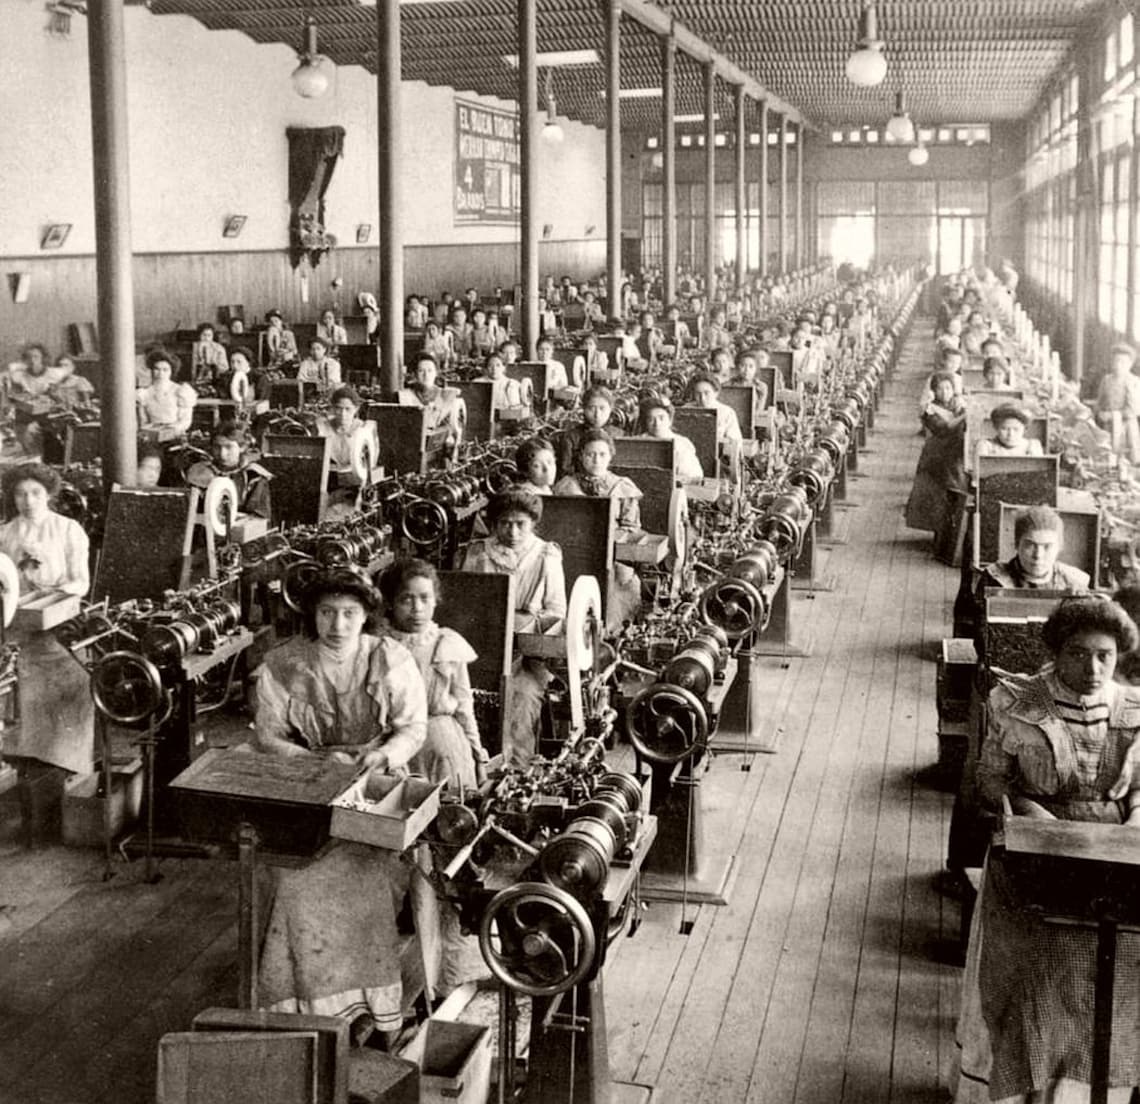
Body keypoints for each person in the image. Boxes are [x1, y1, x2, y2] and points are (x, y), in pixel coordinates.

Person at [954, 598, 1140, 1104]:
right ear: (1056, 653)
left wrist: (1132, 824)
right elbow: (990, 780)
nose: (1093, 668)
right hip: (1032, 857)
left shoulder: (1134, 709)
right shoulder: (1016, 702)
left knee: (1113, 984)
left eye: (1104, 656)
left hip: (1117, 864)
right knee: (1037, 983)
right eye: (1078, 654)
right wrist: (1032, 817)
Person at [254, 569, 428, 1037]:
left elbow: (413, 728)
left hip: (374, 785)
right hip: (306, 785)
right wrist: (313, 762)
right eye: (327, 612)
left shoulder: (390, 658)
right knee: (291, 880)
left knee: (370, 880)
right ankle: (305, 1005)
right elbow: (268, 737)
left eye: (350, 613)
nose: (338, 624)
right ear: (312, 615)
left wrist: (380, 756)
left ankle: (371, 1004)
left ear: (366, 615)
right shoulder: (284, 664)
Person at [0, 463, 93, 845]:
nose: (27, 501)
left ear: (49, 494)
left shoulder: (68, 530)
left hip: (60, 632)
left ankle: (64, 786)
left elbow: (81, 583)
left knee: (67, 708)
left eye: (35, 493)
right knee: (22, 716)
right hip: (18, 635)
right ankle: (30, 796)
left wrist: (48, 593)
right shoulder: (5, 534)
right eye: (20, 494)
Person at [461, 490, 567, 764]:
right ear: (494, 524)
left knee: (520, 699)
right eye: (505, 523)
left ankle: (515, 771)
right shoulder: (477, 553)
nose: (513, 531)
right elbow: (464, 605)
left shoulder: (545, 556)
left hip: (528, 658)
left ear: (533, 523)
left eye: (521, 524)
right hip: (481, 649)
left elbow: (557, 612)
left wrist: (527, 625)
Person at [376, 559, 487, 789]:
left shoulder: (446, 643)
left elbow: (464, 706)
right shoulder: (377, 645)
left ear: (436, 600)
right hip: (391, 737)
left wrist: (478, 756)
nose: (417, 608)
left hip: (437, 738)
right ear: (390, 603)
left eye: (425, 598)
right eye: (406, 599)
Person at [552, 429, 644, 628]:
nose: (596, 460)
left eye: (602, 454)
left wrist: (610, 541)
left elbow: (631, 527)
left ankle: (613, 630)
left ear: (610, 456)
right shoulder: (566, 486)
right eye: (590, 454)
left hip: (612, 554)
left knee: (620, 584)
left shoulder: (622, 487)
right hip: (574, 551)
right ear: (581, 456)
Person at [904, 371, 967, 536]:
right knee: (937, 491)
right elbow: (944, 428)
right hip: (937, 454)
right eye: (940, 389)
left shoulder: (957, 405)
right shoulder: (929, 409)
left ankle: (951, 529)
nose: (945, 392)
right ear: (934, 391)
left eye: (948, 388)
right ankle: (939, 530)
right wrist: (964, 415)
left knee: (955, 486)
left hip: (954, 451)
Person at [975, 505, 1091, 594]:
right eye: (1030, 545)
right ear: (1016, 544)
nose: (1038, 555)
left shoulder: (1074, 582)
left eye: (1047, 546)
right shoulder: (994, 579)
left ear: (1059, 547)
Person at [186, 421, 273, 518]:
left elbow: (259, 518)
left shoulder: (253, 476)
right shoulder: (199, 472)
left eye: (228, 447)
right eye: (217, 447)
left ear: (242, 447)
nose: (222, 453)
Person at [316, 387, 377, 509]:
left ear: (356, 409)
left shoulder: (363, 430)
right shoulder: (323, 427)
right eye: (338, 408)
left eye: (348, 409)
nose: (343, 414)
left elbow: (370, 464)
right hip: (329, 480)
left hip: (355, 482)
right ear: (332, 408)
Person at [398, 352, 464, 451]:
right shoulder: (406, 396)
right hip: (412, 446)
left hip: (439, 448)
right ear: (414, 374)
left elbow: (453, 430)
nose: (426, 375)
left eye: (430, 370)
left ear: (436, 373)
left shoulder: (447, 396)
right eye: (421, 371)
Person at [556, 385, 623, 477]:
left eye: (602, 408)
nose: (597, 414)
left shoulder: (619, 434)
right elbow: (565, 469)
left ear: (610, 409)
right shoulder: (571, 437)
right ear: (583, 409)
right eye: (591, 408)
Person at [639, 396, 704, 485]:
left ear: (670, 420)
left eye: (661, 418)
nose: (657, 423)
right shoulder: (638, 441)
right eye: (651, 419)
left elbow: (694, 476)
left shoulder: (681, 444)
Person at [1095, 343, 1140, 462]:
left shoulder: (1134, 382)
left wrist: (1112, 415)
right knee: (1107, 459)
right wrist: (1099, 412)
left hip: (1127, 429)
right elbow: (1099, 402)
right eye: (1116, 361)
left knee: (1127, 462)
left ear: (1130, 364)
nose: (1118, 365)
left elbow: (1133, 411)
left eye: (1123, 362)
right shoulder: (1107, 380)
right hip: (1108, 428)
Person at [137, 348, 197, 435]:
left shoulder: (181, 391)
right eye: (157, 369)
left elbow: (185, 421)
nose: (160, 374)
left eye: (165, 370)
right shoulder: (144, 393)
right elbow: (143, 422)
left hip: (175, 435)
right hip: (153, 436)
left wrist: (170, 431)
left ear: (171, 372)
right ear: (152, 370)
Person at [976, 404, 1044, 459]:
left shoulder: (1032, 446)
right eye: (1004, 429)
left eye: (1016, 429)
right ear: (996, 428)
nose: (1010, 434)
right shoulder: (986, 446)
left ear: (1025, 429)